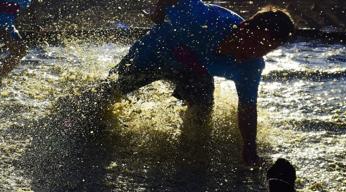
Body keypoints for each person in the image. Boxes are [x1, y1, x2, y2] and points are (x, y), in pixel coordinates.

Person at [102, 1, 294, 165]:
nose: (255, 54)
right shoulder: (204, 20)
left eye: (265, 51)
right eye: (256, 44)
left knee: (202, 113)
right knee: (106, 93)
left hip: (193, 71)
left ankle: (187, 159)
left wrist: (250, 150)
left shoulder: (251, 66)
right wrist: (159, 10)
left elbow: (247, 107)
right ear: (245, 28)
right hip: (155, 53)